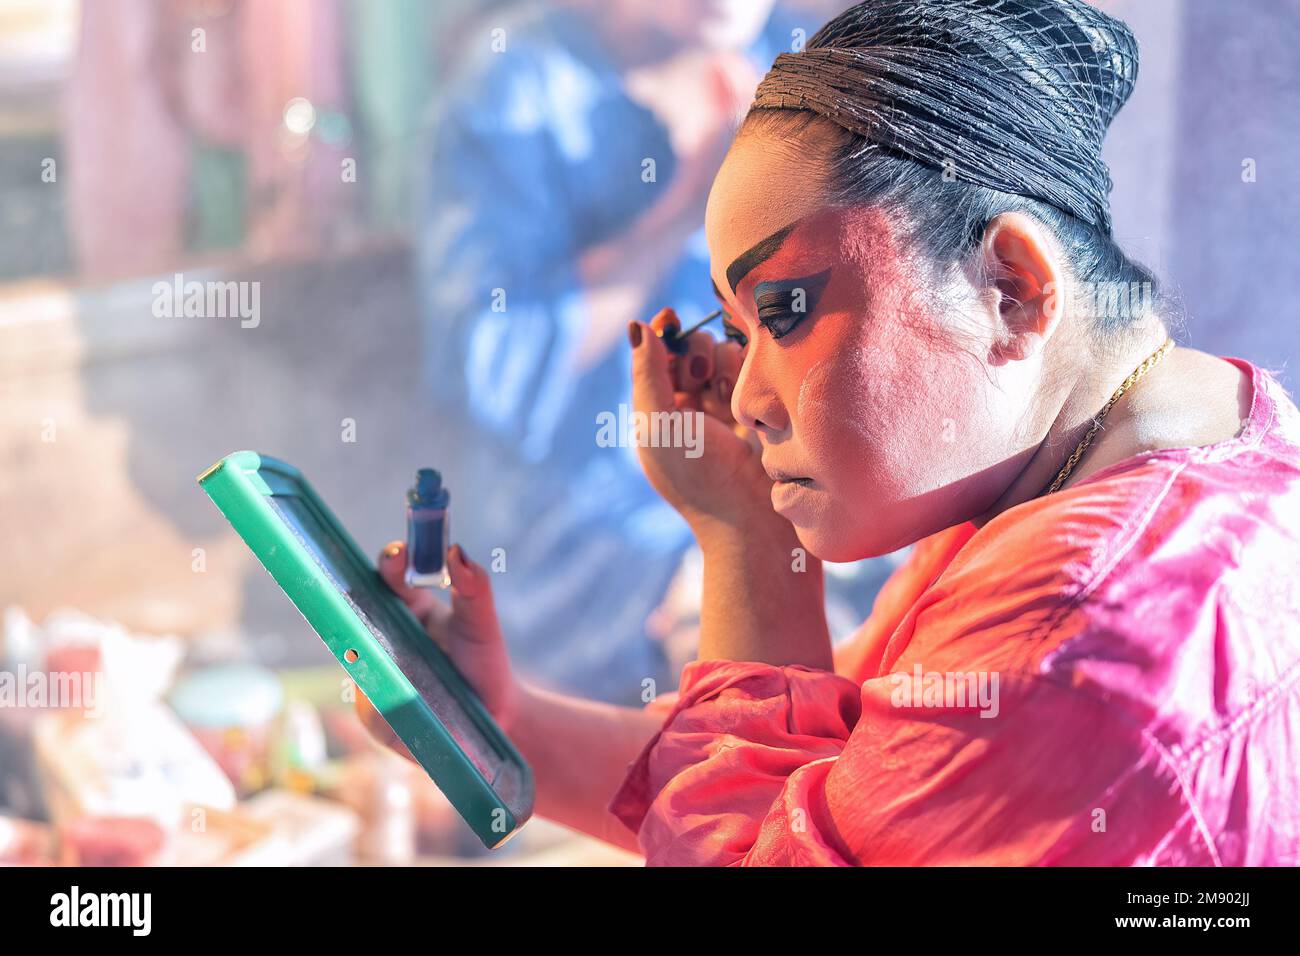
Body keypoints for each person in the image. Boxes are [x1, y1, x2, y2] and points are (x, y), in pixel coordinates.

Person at [366, 0, 1300, 864]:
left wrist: (744, 539)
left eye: (786, 312)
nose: (744, 402)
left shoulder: (1067, 641)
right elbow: (821, 773)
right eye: (735, 334)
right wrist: (506, 724)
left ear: (1012, 285)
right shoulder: (1198, 435)